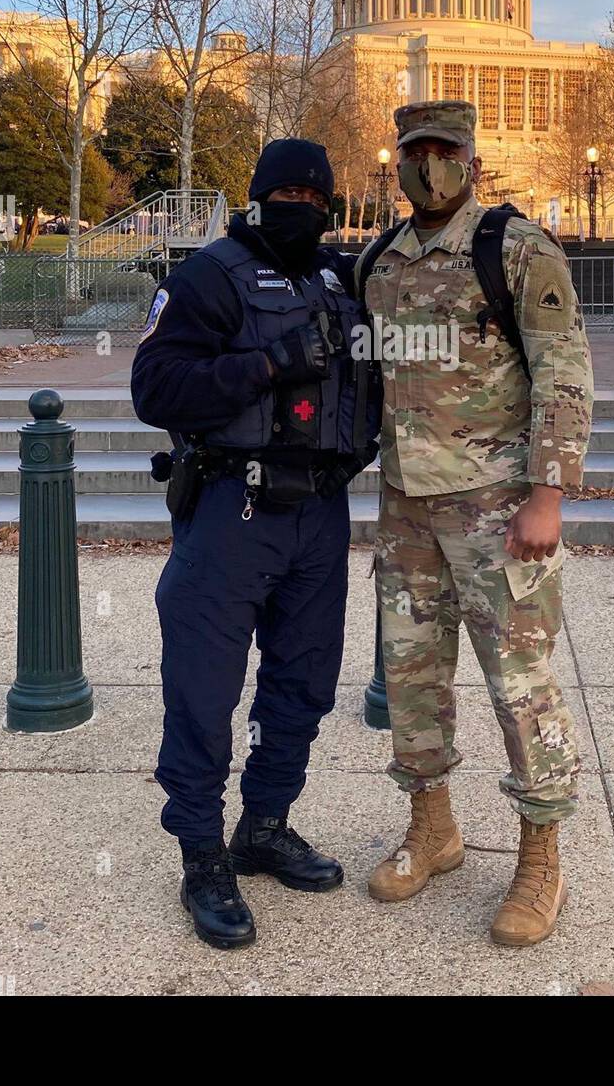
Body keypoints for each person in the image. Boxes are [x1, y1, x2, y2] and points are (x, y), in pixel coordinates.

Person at [355, 101, 594, 947]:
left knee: (521, 687)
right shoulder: (379, 260)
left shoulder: (515, 247)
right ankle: (433, 828)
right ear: (397, 162)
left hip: (498, 508)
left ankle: (540, 856)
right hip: (405, 508)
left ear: (470, 158)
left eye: (442, 151)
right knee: (411, 681)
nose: (427, 166)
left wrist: (548, 494)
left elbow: (563, 370)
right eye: (412, 152)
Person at [132, 138, 378, 951]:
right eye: (288, 193)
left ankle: (265, 825)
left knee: (303, 685)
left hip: (320, 514)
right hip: (232, 509)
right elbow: (154, 388)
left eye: (316, 195)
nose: (302, 205)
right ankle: (202, 856)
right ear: (258, 195)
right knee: (203, 693)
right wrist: (266, 364)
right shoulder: (207, 275)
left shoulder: (343, 279)